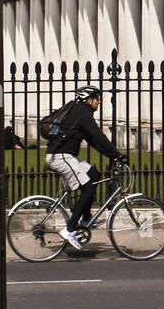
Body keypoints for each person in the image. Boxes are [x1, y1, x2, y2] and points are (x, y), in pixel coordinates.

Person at [45, 86, 125, 251]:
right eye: (97, 98)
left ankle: (87, 218)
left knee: (93, 174)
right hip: (60, 157)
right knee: (88, 190)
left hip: (65, 156)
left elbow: (93, 140)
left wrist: (113, 155)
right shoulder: (83, 114)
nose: (99, 101)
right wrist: (118, 155)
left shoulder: (79, 112)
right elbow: (98, 136)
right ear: (89, 100)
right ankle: (70, 229)